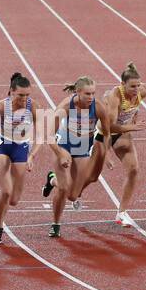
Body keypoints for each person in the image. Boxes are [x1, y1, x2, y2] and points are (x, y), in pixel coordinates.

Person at [45, 76, 110, 238]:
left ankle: (51, 179)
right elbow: (49, 135)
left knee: (73, 195)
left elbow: (107, 133)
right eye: (87, 94)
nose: (91, 97)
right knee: (63, 188)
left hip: (82, 150)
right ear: (78, 92)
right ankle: (56, 224)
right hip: (64, 146)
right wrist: (60, 154)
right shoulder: (66, 106)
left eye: (93, 94)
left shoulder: (99, 107)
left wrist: (106, 153)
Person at [0, 72, 39, 245]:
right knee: (6, 191)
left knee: (14, 200)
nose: (24, 98)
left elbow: (43, 134)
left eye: (27, 95)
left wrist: (31, 156)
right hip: (3, 146)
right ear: (11, 92)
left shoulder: (32, 106)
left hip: (21, 148)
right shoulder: (1, 107)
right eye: (20, 95)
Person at [93, 61, 146, 227]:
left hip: (122, 134)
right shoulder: (115, 97)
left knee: (134, 170)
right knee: (90, 177)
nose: (136, 90)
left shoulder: (143, 91)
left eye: (138, 85)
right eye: (132, 86)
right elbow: (108, 127)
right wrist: (107, 153)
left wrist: (135, 115)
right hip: (103, 134)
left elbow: (136, 104)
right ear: (122, 84)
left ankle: (122, 212)